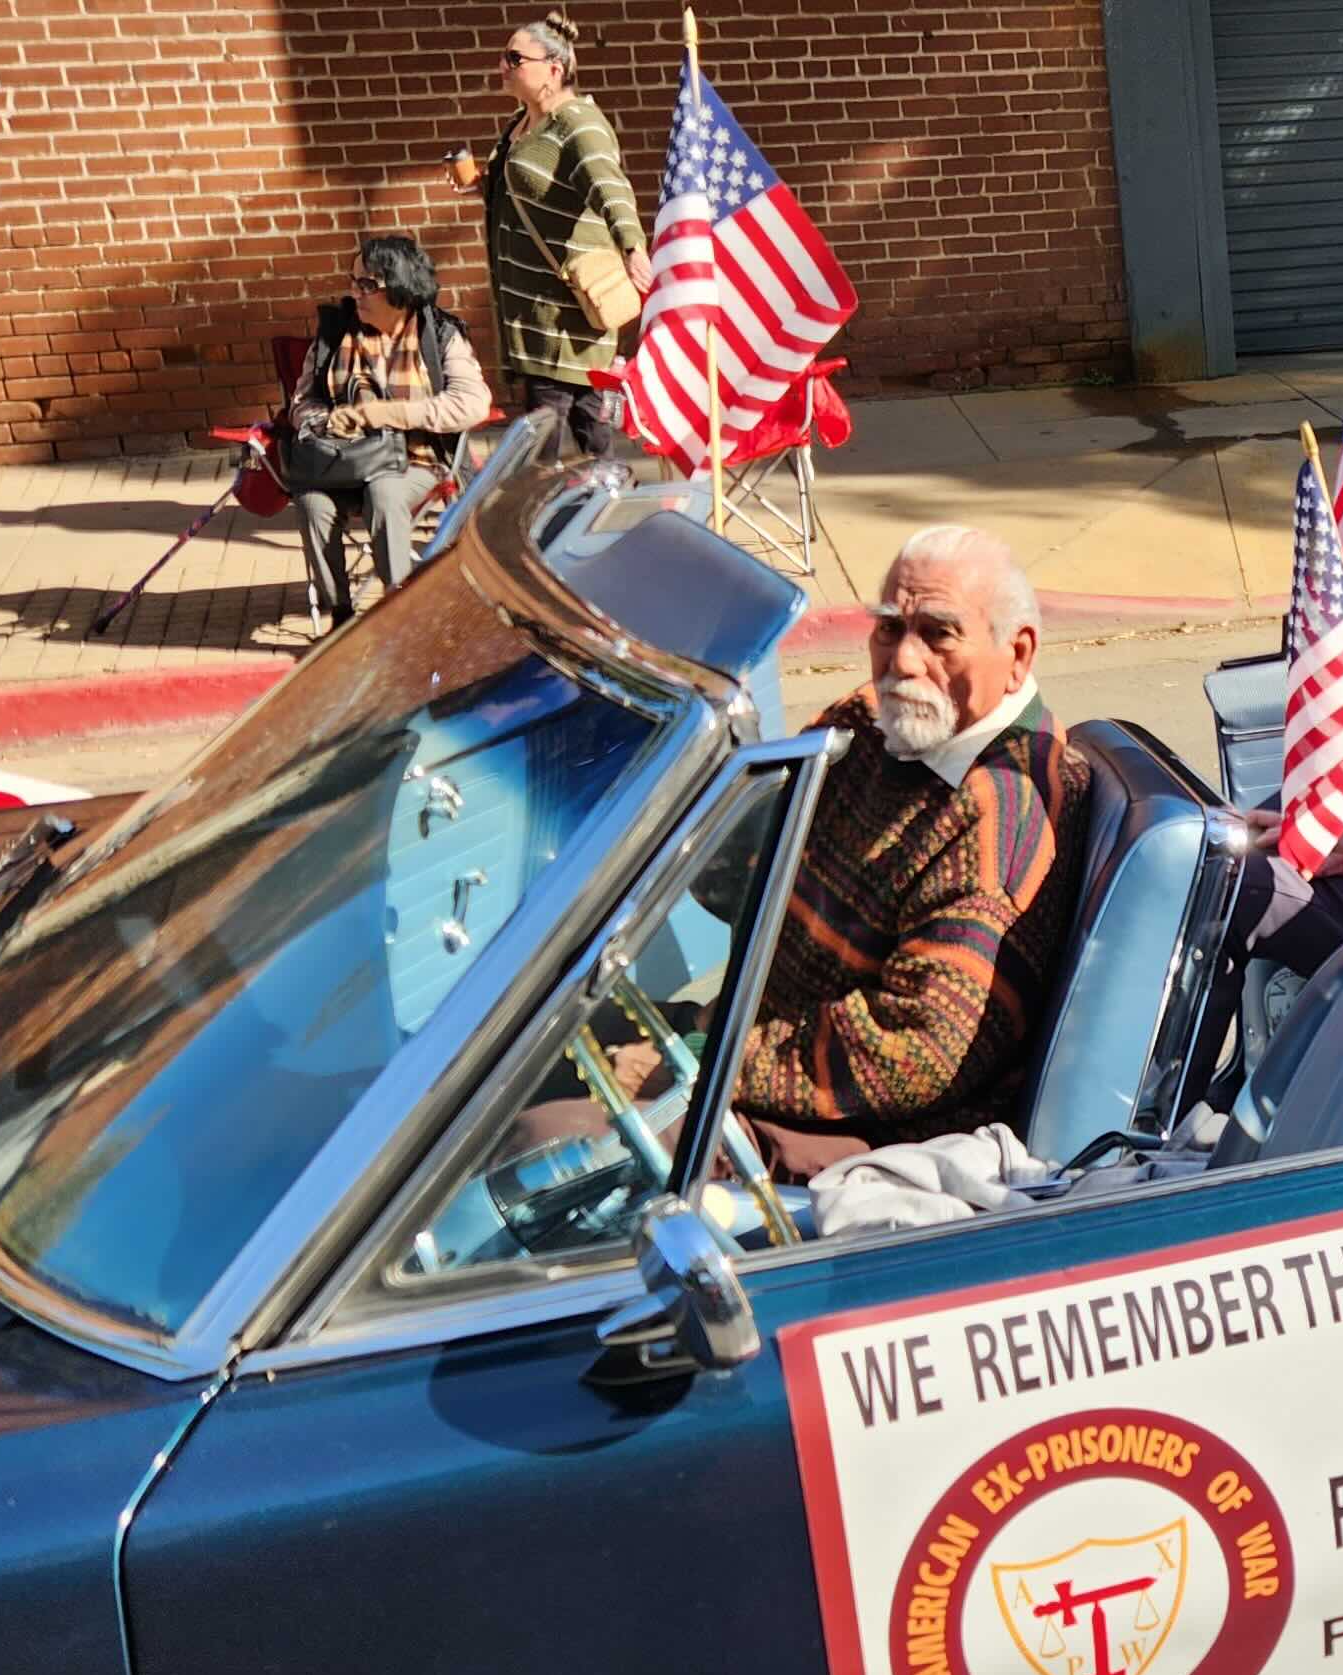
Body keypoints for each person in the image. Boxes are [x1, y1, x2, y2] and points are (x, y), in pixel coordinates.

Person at [732, 526, 1089, 1179]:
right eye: (890, 629)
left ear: (1017, 654)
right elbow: (747, 853)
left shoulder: (1002, 812)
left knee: (553, 1146)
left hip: (861, 1140)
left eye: (939, 634)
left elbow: (916, 1050)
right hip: (755, 1044)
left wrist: (718, 1056)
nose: (902, 661)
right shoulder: (865, 721)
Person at [462, 15, 650, 460]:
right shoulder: (520, 123)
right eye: (503, 57)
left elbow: (608, 184)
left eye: (515, 58)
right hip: (532, 310)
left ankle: (560, 514)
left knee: (554, 427)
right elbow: (530, 191)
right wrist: (482, 184)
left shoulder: (578, 123)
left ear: (554, 68)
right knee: (576, 421)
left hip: (568, 308)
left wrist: (632, 244)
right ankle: (589, 506)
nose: (503, 67)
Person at [280, 235, 490, 624]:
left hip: (416, 461)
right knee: (312, 502)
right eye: (353, 281)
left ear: (399, 287)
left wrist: (387, 414)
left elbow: (472, 403)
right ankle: (341, 615)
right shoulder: (333, 334)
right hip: (343, 461)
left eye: (367, 285)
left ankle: (401, 615)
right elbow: (301, 403)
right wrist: (327, 421)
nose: (354, 292)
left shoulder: (439, 335)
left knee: (384, 492)